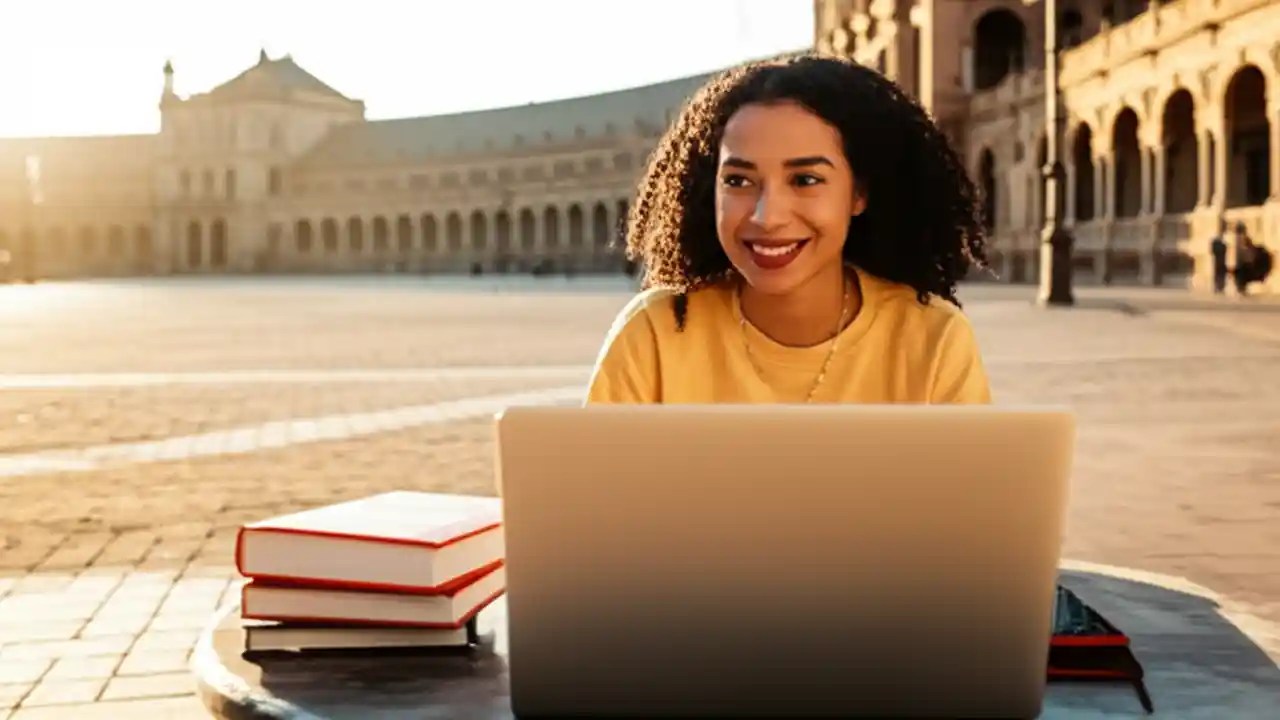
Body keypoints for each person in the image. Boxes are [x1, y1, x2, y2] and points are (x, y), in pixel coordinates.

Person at [586, 53, 991, 405]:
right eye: (739, 181)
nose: (767, 216)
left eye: (805, 180)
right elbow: (593, 492)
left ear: (858, 194)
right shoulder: (654, 334)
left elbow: (969, 496)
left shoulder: (933, 339)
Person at [1210, 220, 1228, 294]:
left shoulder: (1221, 242)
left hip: (1221, 260)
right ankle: (1218, 286)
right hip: (1218, 259)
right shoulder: (1216, 242)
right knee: (1218, 273)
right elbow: (1213, 250)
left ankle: (1220, 286)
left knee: (1221, 273)